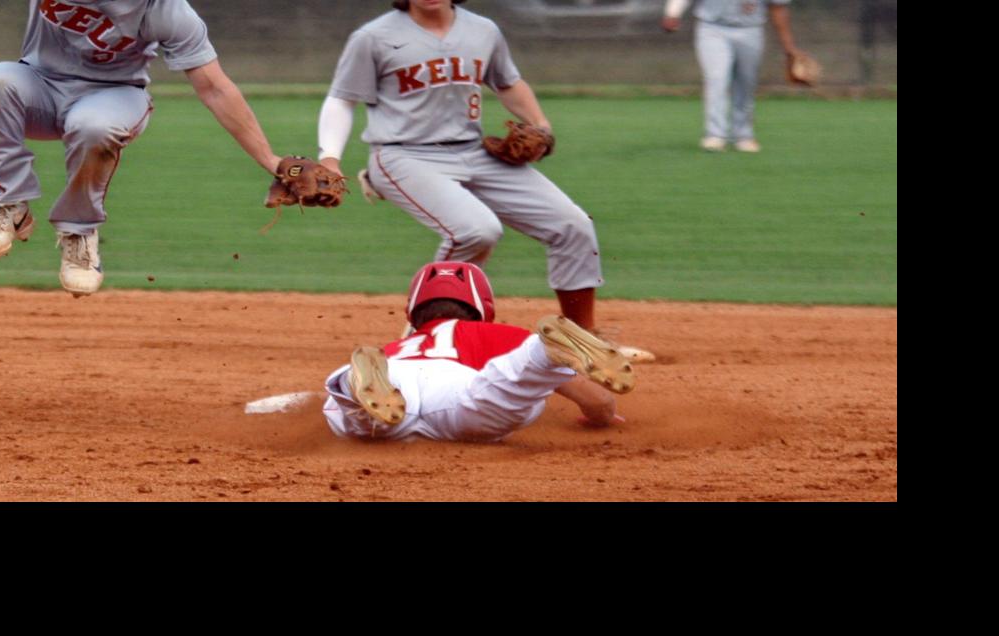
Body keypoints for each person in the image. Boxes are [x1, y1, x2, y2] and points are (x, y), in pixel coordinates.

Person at [317, 0, 606, 332]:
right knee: (476, 231)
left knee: (573, 226)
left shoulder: (482, 30)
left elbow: (508, 83)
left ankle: (583, 340)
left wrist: (540, 124)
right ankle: (420, 338)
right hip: (404, 155)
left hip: (475, 152)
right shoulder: (373, 37)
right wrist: (330, 157)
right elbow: (342, 98)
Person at [0, 0, 289, 297]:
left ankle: (79, 233)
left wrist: (271, 161)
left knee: (93, 126)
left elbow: (215, 88)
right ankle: (9, 207)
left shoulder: (164, 10)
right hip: (39, 86)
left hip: (114, 93)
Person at [322, 262, 636, 443]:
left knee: (352, 420)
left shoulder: (394, 348)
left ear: (412, 312)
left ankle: (348, 386)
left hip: (397, 380)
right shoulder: (496, 334)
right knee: (506, 389)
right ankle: (542, 352)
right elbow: (597, 401)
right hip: (456, 393)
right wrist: (601, 417)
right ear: (484, 306)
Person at [662, 0, 809, 152]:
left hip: (750, 29)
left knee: (746, 84)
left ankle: (743, 135)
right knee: (716, 79)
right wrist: (673, 13)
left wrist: (789, 47)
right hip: (712, 28)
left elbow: (778, 7)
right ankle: (715, 135)